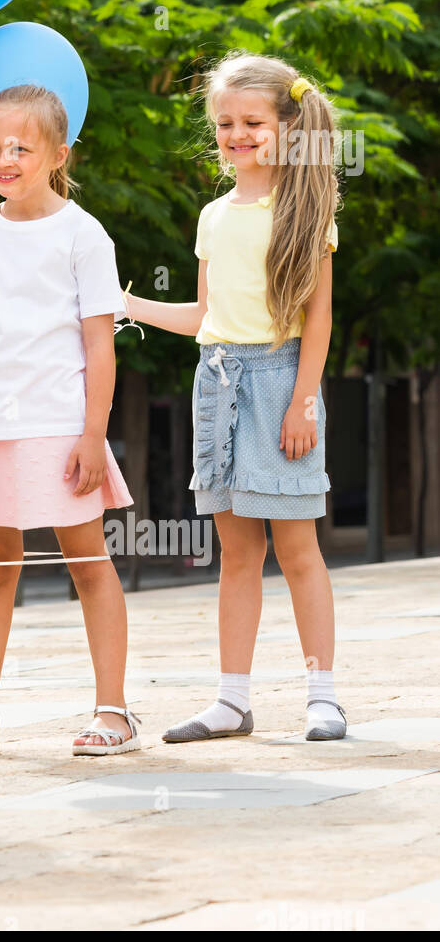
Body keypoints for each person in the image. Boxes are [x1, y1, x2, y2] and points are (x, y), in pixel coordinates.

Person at [125, 53, 344, 742]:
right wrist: (128, 305)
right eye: (225, 123)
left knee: (298, 548)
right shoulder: (213, 216)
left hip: (281, 382)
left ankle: (323, 697)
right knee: (237, 553)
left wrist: (303, 401)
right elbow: (204, 316)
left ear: (287, 126)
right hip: (217, 384)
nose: (236, 134)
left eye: (252, 121)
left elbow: (318, 320)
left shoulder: (307, 212)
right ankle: (232, 701)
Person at [0, 84, 141, 759]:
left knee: (88, 562)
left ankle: (114, 712)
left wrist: (92, 434)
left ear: (58, 154)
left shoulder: (84, 234)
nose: (4, 159)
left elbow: (100, 344)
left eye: (21, 147)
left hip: (60, 426)